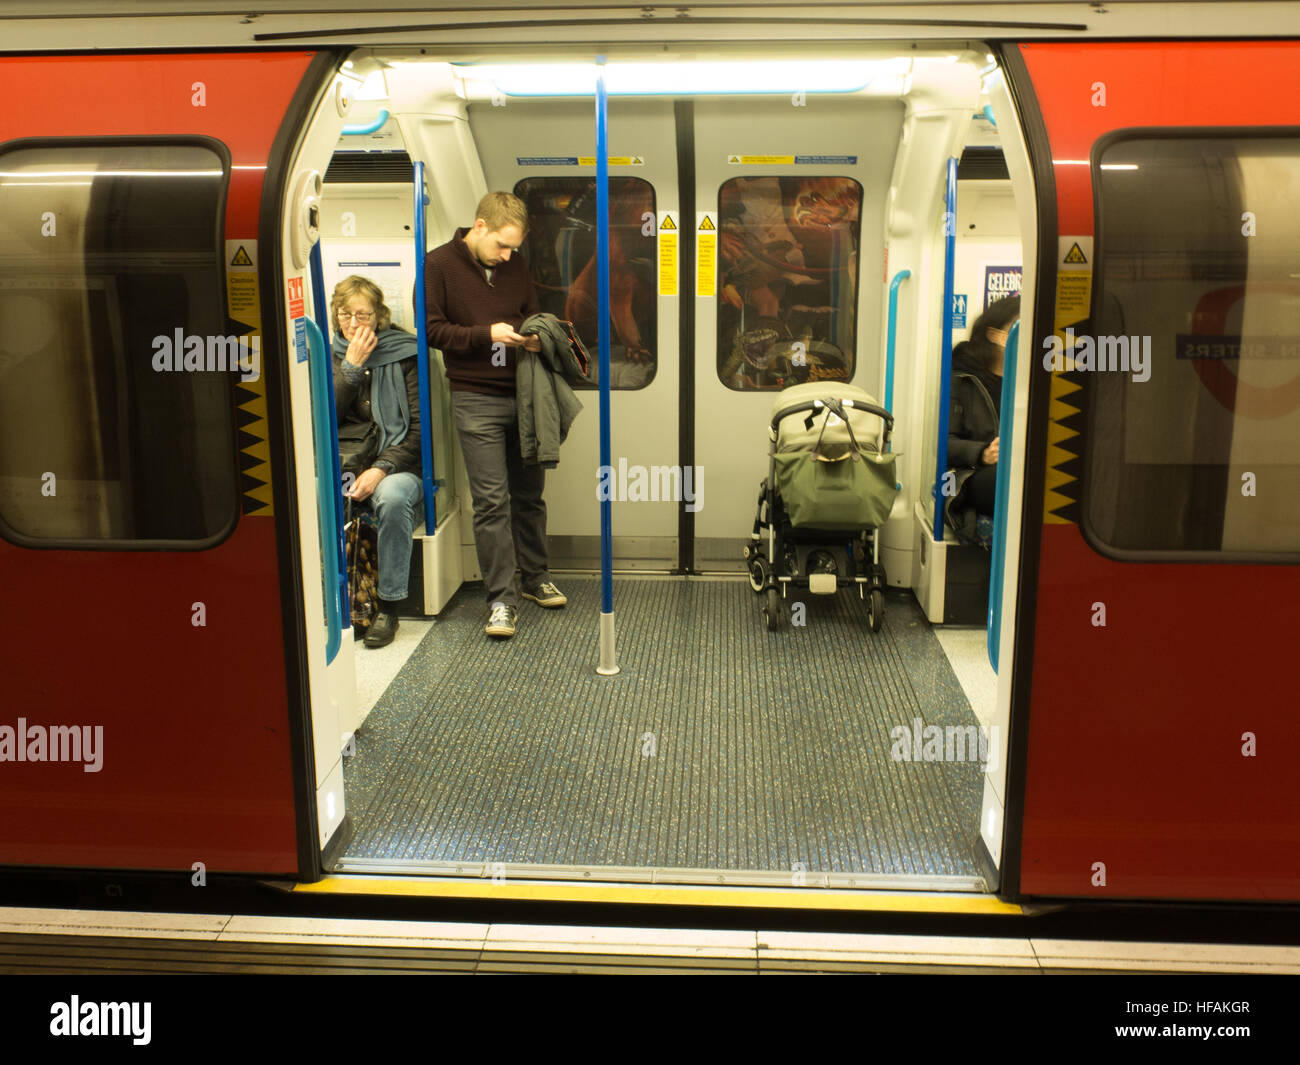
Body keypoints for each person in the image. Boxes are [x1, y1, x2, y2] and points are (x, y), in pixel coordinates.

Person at [423, 191, 565, 639]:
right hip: (475, 397)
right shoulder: (438, 264)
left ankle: (534, 577)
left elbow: (529, 313)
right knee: (490, 503)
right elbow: (432, 330)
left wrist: (535, 336)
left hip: (522, 392)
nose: (507, 256)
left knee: (529, 495)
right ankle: (500, 600)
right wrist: (486, 335)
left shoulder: (514, 266)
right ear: (479, 226)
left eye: (514, 248)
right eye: (501, 245)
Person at [331, 275, 422, 649]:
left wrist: (380, 468)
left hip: (396, 464)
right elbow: (323, 420)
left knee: (394, 497)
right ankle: (334, 599)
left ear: (379, 316)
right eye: (345, 315)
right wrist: (350, 368)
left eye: (363, 315)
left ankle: (388, 604)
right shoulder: (327, 354)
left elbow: (416, 432)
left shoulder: (404, 354)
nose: (353, 325)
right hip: (342, 461)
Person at [946, 294, 1020, 542]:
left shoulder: (1027, 379)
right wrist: (982, 452)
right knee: (1003, 481)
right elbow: (943, 442)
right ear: (995, 335)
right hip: (970, 474)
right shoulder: (962, 378)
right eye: (1018, 328)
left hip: (1017, 467)